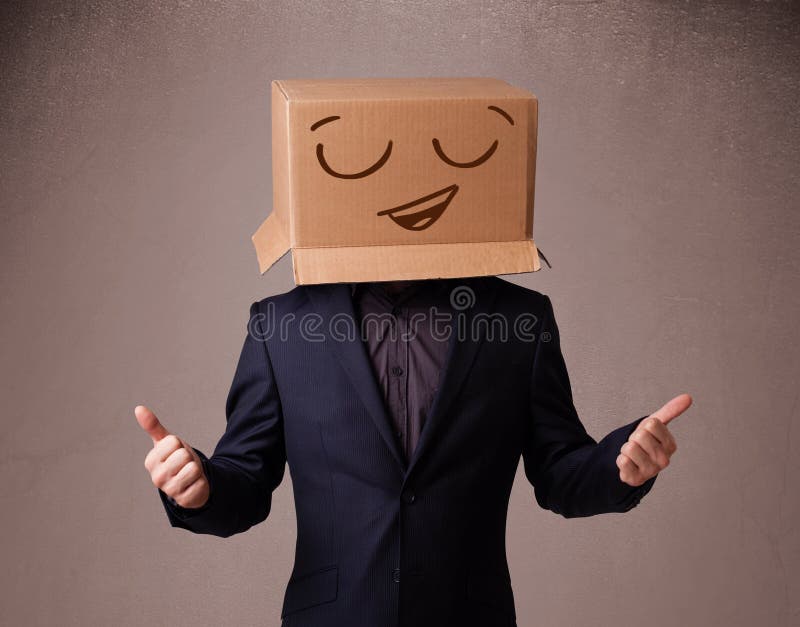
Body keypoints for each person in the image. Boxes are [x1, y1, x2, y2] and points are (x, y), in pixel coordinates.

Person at [137, 275, 691, 627]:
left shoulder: (518, 319)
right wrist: (198, 488)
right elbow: (246, 483)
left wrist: (623, 465)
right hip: (333, 617)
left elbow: (561, 473)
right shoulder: (281, 324)